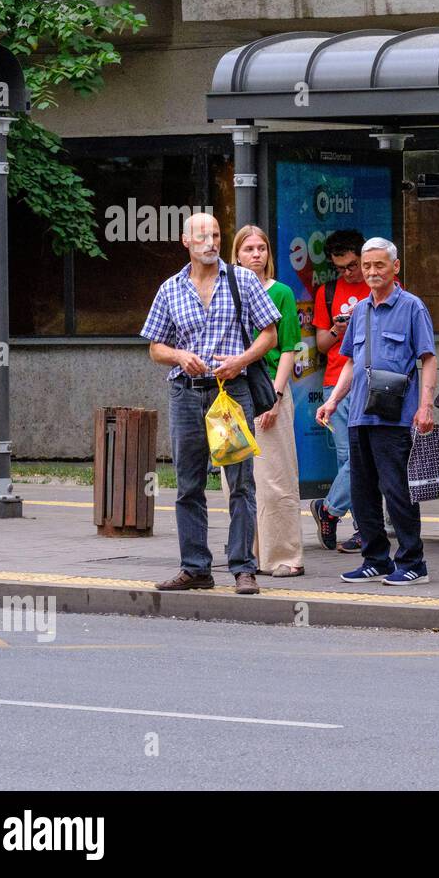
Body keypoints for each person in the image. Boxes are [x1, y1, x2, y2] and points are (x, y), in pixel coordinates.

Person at [141, 212, 280, 595]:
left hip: (229, 395)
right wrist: (179, 356)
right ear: (186, 241)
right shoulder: (170, 288)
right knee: (188, 485)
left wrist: (242, 360)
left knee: (240, 483)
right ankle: (196, 567)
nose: (212, 242)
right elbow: (155, 347)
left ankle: (242, 568)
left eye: (217, 235)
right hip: (186, 393)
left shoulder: (242, 280)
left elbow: (269, 335)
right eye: (203, 235)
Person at [316, 238, 438, 586]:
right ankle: (376, 559)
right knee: (362, 490)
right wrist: (334, 400)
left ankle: (413, 562)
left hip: (395, 414)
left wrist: (425, 405)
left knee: (396, 488)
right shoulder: (361, 312)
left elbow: (428, 359)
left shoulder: (413, 307)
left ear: (395, 267)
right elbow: (350, 362)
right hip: (358, 413)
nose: (371, 272)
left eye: (378, 265)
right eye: (367, 266)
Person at [227, 225, 305, 577]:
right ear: (237, 255)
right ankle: (249, 554)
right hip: (230, 392)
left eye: (261, 248)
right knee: (241, 479)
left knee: (277, 479)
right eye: (249, 249)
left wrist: (274, 397)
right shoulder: (225, 291)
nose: (256, 254)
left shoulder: (282, 293)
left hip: (267, 388)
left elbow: (288, 348)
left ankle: (286, 555)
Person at [310, 229, 370, 554]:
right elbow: (321, 343)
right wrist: (338, 329)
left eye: (353, 265)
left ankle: (329, 509)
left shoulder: (380, 285)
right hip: (338, 379)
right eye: (341, 267)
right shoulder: (328, 292)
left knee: (364, 457)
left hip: (373, 380)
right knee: (349, 458)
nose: (349, 272)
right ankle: (362, 528)